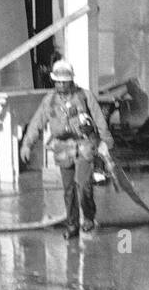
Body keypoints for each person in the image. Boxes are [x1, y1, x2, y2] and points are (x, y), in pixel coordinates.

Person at [19, 59, 113, 240]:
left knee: (84, 185)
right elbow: (36, 123)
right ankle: (72, 225)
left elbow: (100, 120)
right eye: (58, 81)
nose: (61, 85)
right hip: (62, 148)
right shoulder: (49, 100)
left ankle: (89, 217)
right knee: (68, 189)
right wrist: (27, 144)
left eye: (65, 81)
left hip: (84, 144)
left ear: (71, 80)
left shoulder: (85, 96)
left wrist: (106, 143)